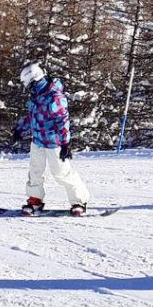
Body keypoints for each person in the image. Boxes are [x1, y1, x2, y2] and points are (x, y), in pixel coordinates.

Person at [13, 62, 90, 216]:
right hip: (37, 141)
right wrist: (20, 129)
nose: (26, 87)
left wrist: (65, 143)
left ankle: (78, 201)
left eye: (27, 84)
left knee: (61, 173)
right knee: (35, 172)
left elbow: (63, 121)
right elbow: (32, 117)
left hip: (54, 142)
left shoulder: (55, 97)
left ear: (34, 80)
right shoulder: (36, 96)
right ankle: (35, 200)